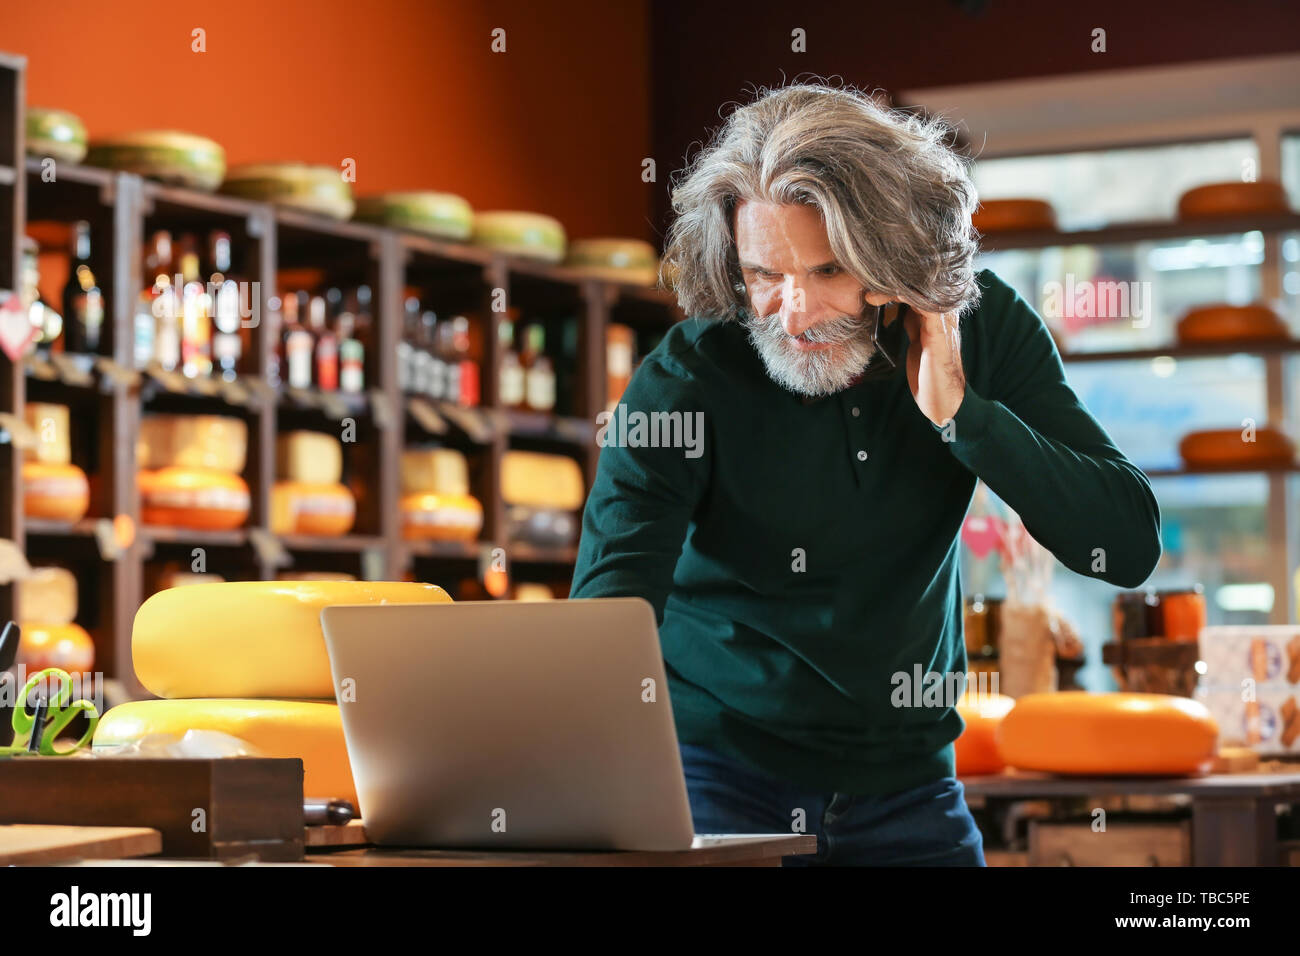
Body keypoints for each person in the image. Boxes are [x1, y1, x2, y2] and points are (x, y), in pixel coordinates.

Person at [568, 81, 1161, 866]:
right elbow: (607, 617)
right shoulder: (686, 382)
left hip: (910, 786)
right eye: (763, 274)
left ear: (891, 257)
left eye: (825, 271)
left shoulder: (985, 334)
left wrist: (962, 416)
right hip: (715, 776)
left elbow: (1124, 546)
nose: (793, 311)